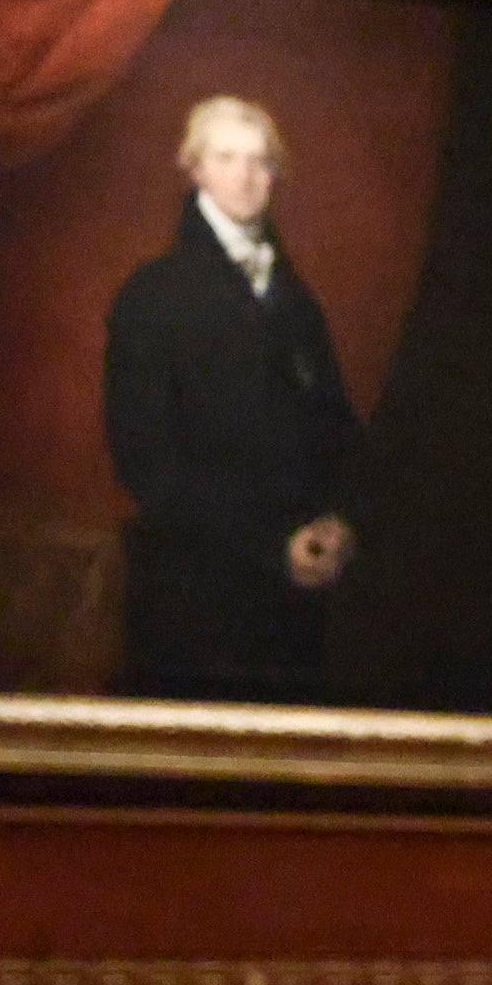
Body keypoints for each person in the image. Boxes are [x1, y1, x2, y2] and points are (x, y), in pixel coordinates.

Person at [102, 96, 360, 703]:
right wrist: (271, 547)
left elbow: (336, 430)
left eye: (261, 161)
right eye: (227, 158)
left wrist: (340, 522)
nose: (247, 176)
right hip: (194, 598)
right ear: (195, 170)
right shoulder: (152, 295)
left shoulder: (297, 301)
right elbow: (145, 464)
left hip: (299, 601)